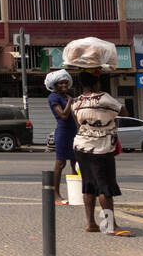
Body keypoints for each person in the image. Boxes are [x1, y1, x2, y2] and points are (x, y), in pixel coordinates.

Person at [71, 71, 133, 236]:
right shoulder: (104, 98)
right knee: (104, 187)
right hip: (101, 148)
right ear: (97, 82)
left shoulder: (76, 102)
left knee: (88, 185)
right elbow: (124, 112)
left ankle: (91, 223)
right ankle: (111, 225)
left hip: (81, 146)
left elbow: (78, 122)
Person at [46, 69, 75, 205]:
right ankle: (56, 194)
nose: (64, 85)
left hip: (74, 132)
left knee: (76, 163)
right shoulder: (54, 97)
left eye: (65, 82)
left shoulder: (67, 97)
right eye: (61, 83)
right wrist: (70, 102)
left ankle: (78, 193)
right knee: (60, 164)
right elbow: (63, 115)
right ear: (55, 85)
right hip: (63, 133)